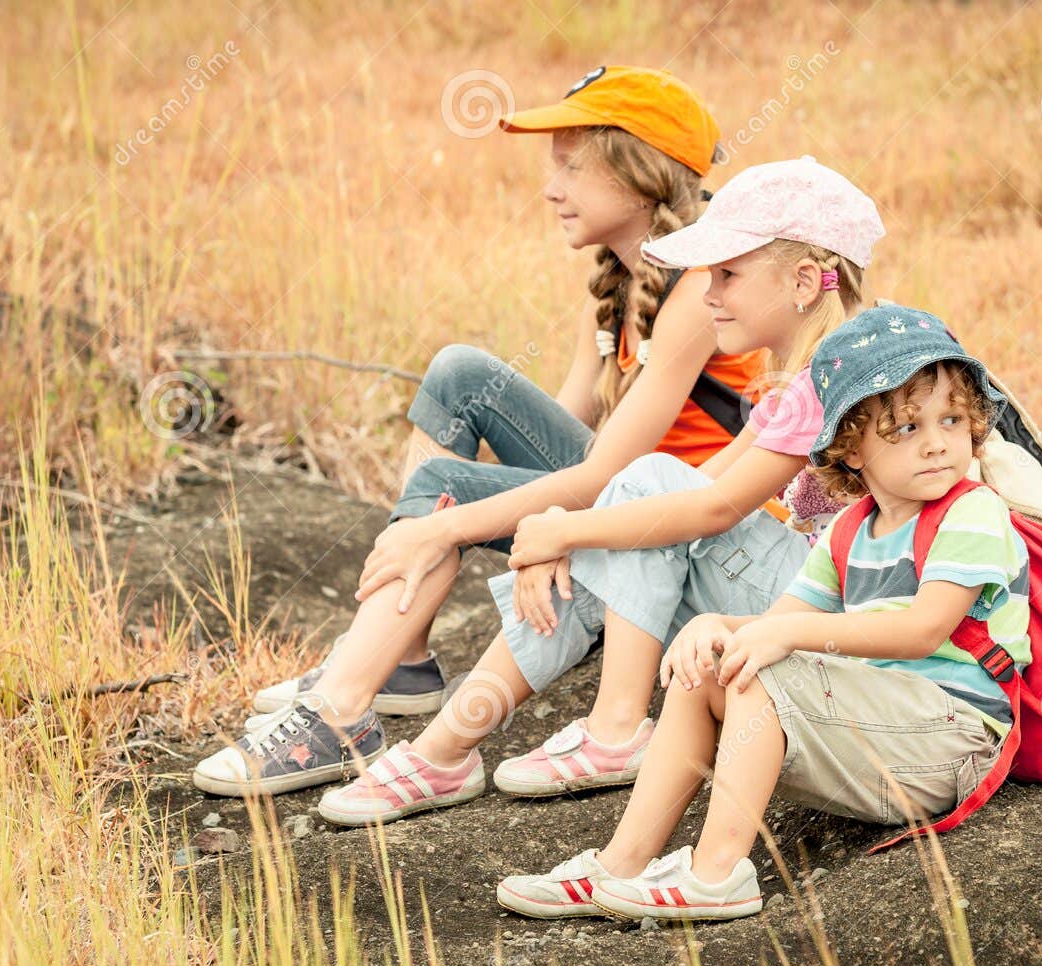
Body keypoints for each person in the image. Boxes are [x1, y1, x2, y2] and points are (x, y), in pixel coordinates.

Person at [194, 66, 768, 798]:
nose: (549, 187)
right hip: (624, 493)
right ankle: (400, 652)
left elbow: (595, 479)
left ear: (638, 173)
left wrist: (457, 528)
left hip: (679, 534)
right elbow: (572, 429)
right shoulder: (624, 273)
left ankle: (338, 714)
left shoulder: (694, 288)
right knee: (461, 375)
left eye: (569, 166)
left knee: (443, 494)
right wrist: (531, 521)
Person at [314, 157, 884, 826]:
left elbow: (714, 506)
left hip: (839, 624)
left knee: (642, 485)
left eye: (728, 274)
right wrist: (575, 527)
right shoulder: (806, 375)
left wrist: (568, 531)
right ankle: (447, 749)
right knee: (634, 499)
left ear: (804, 281)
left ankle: (599, 731)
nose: (709, 294)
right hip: (798, 605)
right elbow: (708, 483)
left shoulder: (836, 371)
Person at [496, 304, 1032, 921]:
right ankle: (619, 865)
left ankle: (717, 872)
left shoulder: (972, 510)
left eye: (952, 420)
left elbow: (922, 629)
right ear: (851, 448)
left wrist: (781, 636)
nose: (938, 442)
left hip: (953, 737)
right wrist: (715, 628)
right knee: (713, 667)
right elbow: (782, 618)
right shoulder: (850, 530)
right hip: (879, 726)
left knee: (764, 671)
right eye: (906, 428)